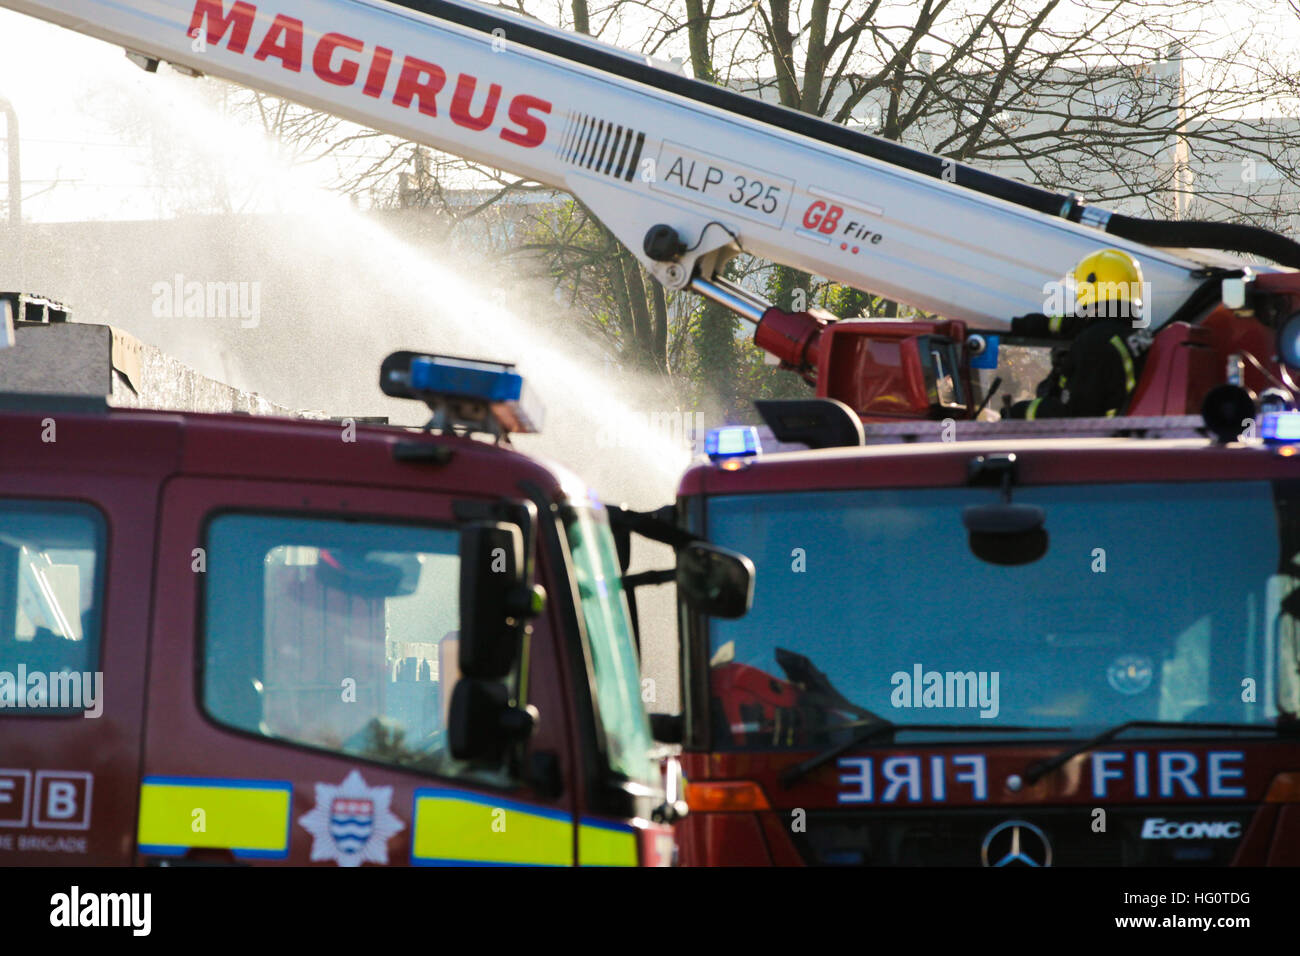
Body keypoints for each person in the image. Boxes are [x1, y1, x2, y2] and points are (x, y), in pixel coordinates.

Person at [1006, 248, 1152, 419]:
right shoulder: (1136, 329)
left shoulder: (1095, 344)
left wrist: (1019, 412)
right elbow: (1083, 323)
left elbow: (1073, 415)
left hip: (1103, 438)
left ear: (1092, 285)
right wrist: (1039, 324)